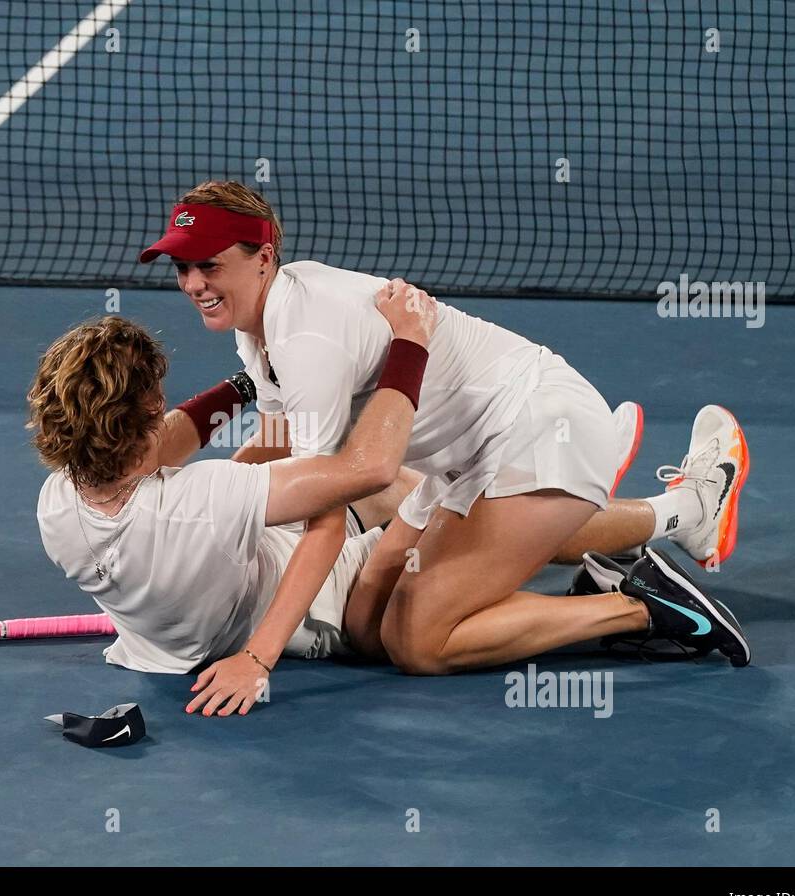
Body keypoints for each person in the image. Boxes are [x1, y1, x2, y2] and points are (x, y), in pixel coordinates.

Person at [137, 181, 751, 677]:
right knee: (365, 620)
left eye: (208, 267)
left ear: (262, 258)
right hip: (461, 459)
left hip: (534, 425)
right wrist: (185, 510)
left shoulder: (307, 337)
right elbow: (276, 444)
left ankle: (639, 606)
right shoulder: (262, 322)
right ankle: (680, 513)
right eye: (182, 268)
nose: (193, 284)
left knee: (416, 641)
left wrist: (257, 655)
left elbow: (321, 511)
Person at [29, 299, 748, 719]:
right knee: (408, 507)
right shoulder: (200, 499)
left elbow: (169, 448)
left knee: (363, 479)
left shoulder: (59, 504)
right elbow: (355, 475)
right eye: (156, 406)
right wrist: (411, 342)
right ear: (140, 425)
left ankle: (664, 509)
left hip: (253, 560)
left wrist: (249, 388)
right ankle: (640, 593)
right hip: (333, 601)